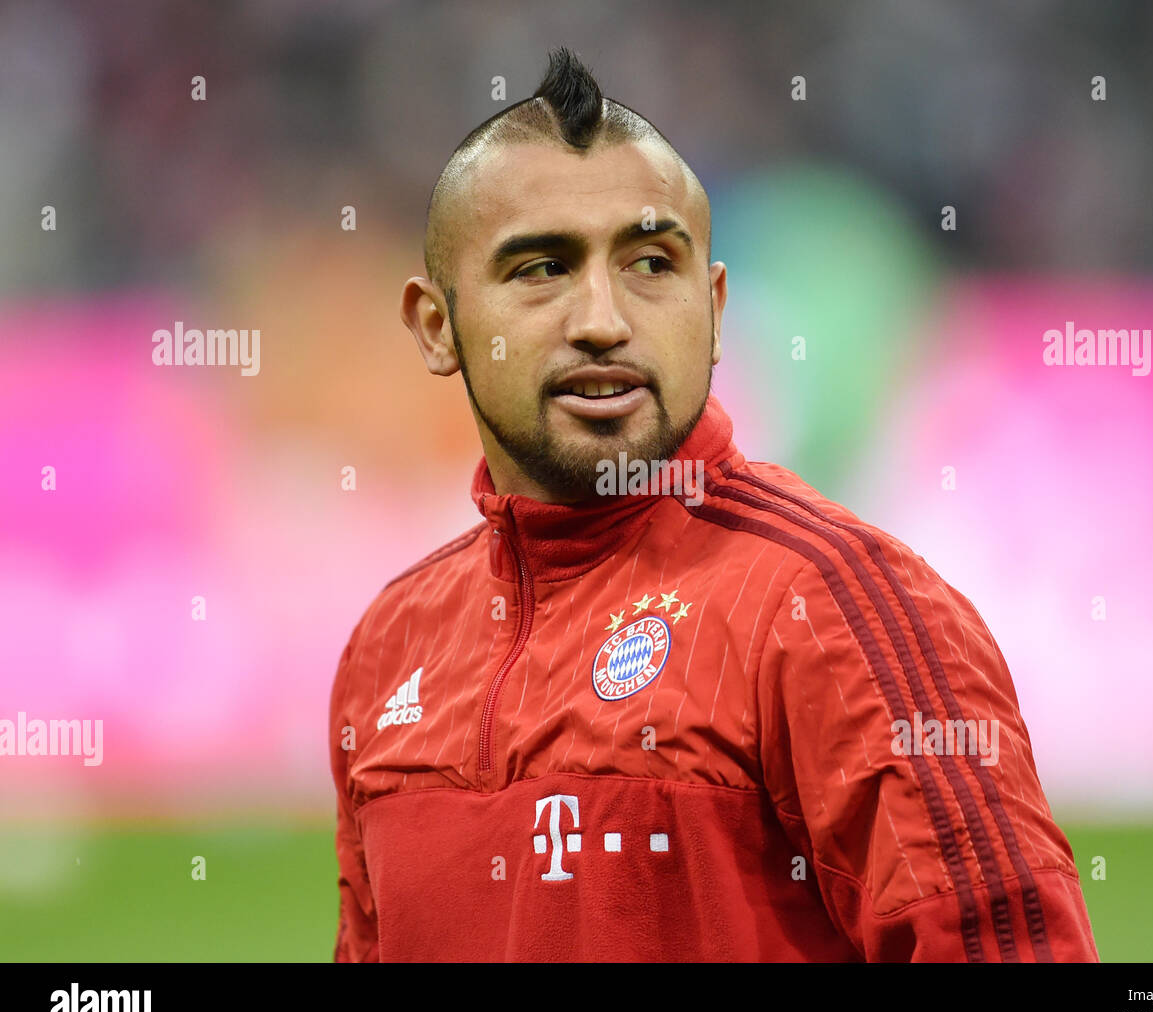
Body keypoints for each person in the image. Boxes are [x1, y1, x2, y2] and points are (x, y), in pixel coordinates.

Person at [329, 46, 1099, 962]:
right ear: (437, 325)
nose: (603, 320)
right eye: (541, 268)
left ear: (715, 306)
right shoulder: (391, 646)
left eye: (652, 262)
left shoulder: (833, 607)